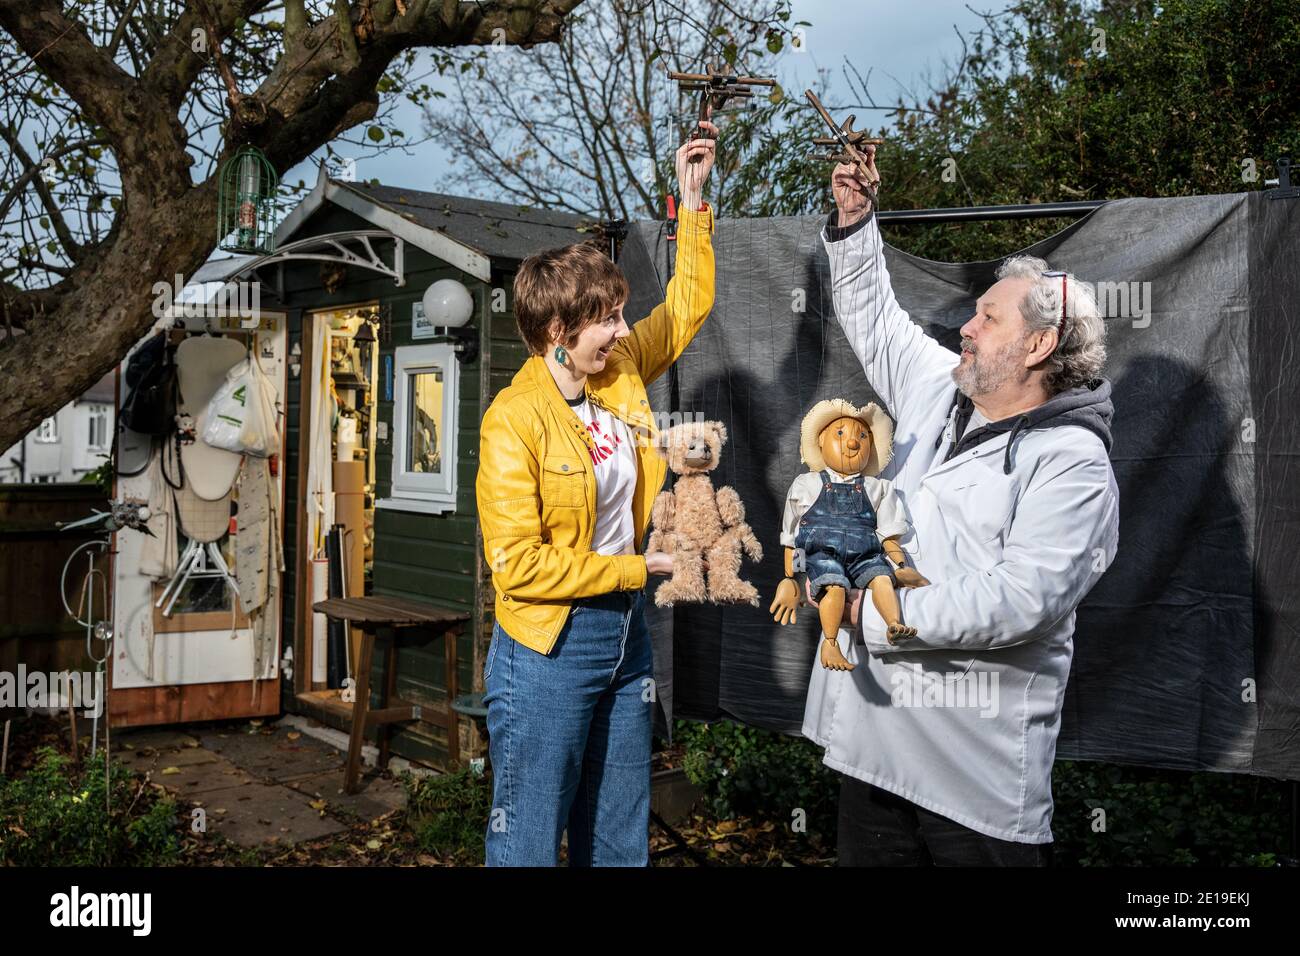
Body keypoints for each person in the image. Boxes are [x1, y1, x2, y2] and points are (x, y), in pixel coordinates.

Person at [806, 146, 1120, 866]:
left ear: (1039, 345)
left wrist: (875, 611)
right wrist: (856, 221)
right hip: (874, 759)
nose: (965, 329)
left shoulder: (1074, 463)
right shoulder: (945, 390)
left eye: (987, 318)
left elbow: (1020, 599)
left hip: (972, 788)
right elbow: (877, 321)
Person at [475, 123, 718, 866]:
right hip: (548, 644)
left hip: (625, 635)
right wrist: (634, 570)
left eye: (619, 313)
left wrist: (693, 201)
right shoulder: (512, 422)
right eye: (606, 318)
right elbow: (518, 565)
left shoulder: (616, 375)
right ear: (556, 331)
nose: (622, 328)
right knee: (530, 839)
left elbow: (686, 308)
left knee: (617, 833)